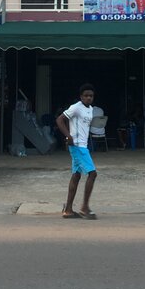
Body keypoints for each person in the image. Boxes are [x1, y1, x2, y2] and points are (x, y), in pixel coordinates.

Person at [55, 83, 98, 219]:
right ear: (81, 97)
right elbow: (60, 120)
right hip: (77, 146)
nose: (88, 98)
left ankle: (68, 209)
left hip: (83, 145)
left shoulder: (90, 109)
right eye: (86, 96)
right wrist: (68, 135)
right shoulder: (76, 107)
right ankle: (84, 208)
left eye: (91, 96)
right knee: (92, 173)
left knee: (76, 176)